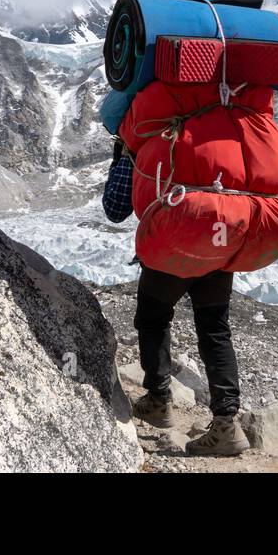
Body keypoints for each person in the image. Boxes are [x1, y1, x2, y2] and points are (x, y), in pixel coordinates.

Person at [102, 138, 250, 457]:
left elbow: (115, 209)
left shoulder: (152, 124)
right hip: (219, 235)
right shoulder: (227, 129)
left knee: (153, 319)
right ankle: (226, 423)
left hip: (175, 238)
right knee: (215, 330)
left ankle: (158, 400)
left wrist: (121, 157)